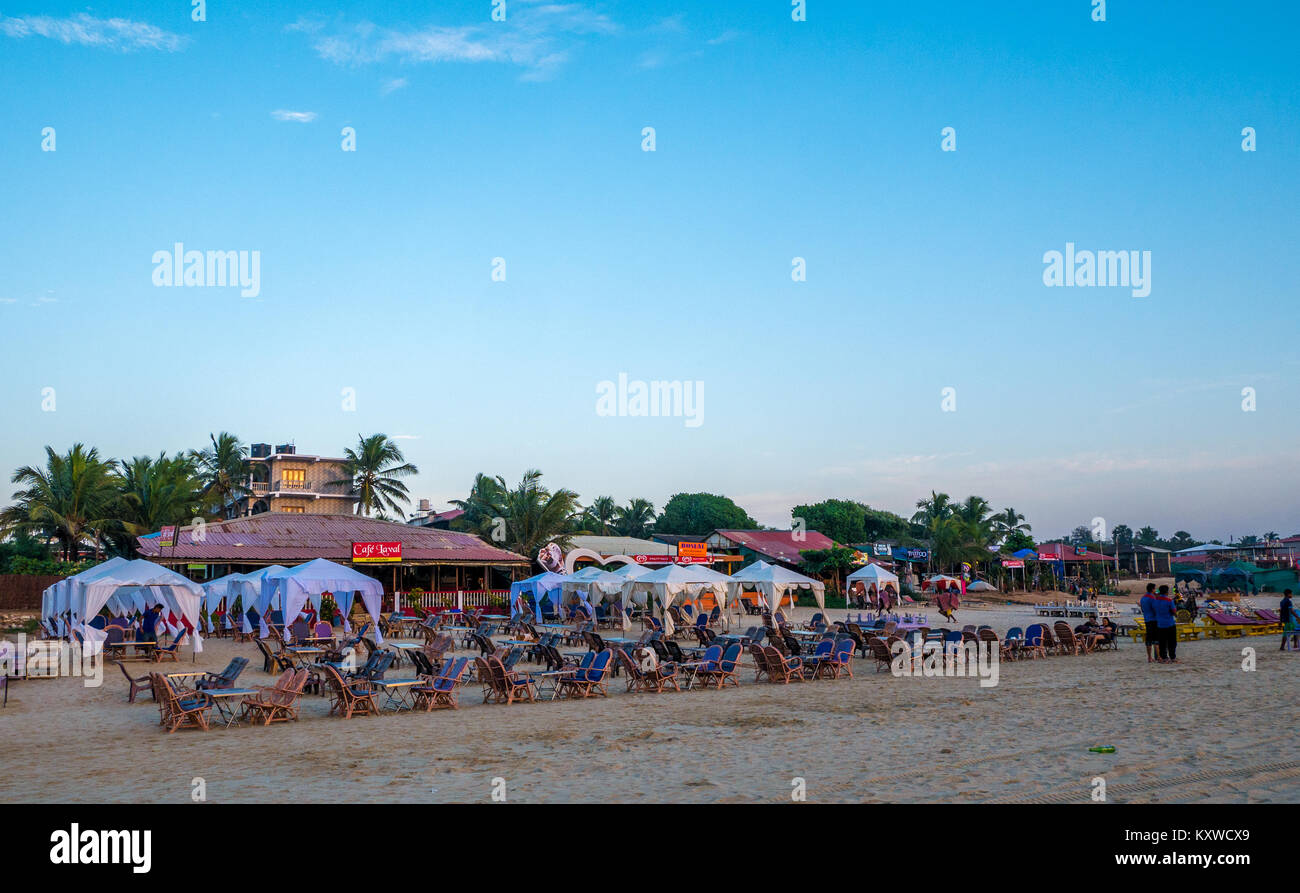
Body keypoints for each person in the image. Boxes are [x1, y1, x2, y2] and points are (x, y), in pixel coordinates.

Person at [1152, 584, 1178, 663]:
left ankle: (1164, 658)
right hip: (1169, 623)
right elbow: (1174, 612)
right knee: (1172, 642)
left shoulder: (1155, 601)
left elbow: (1154, 611)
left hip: (1160, 624)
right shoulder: (1169, 600)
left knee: (1162, 642)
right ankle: (1172, 657)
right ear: (1167, 592)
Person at [1138, 583, 1159, 663]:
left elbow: (1143, 609)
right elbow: (1155, 609)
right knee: (1156, 639)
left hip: (1146, 620)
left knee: (1149, 640)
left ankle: (1149, 657)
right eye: (1155, 589)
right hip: (1154, 620)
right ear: (1152, 589)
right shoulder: (1152, 598)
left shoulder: (1143, 598)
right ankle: (1159, 656)